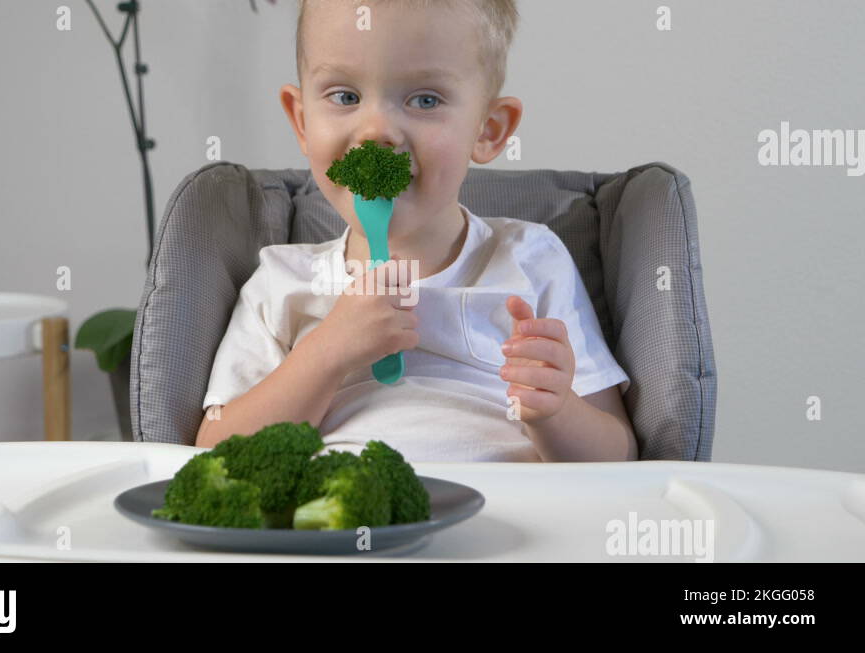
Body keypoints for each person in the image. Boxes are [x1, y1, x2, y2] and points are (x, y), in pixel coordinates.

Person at [197, 0, 637, 462]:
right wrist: (326, 355)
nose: (377, 131)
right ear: (302, 120)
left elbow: (619, 458)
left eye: (425, 100)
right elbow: (215, 454)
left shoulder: (530, 259)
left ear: (488, 129)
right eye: (345, 96)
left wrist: (557, 411)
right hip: (341, 519)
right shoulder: (281, 281)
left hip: (510, 516)